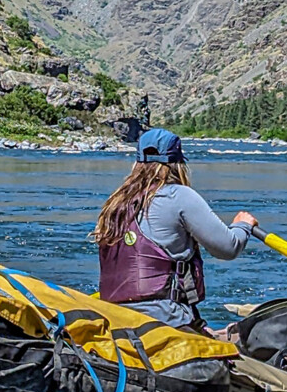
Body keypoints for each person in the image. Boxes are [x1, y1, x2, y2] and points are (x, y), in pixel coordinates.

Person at [92, 128, 255, 330]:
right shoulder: (177, 196)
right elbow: (228, 248)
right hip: (165, 318)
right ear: (177, 163)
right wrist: (243, 225)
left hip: (113, 317)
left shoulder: (115, 203)